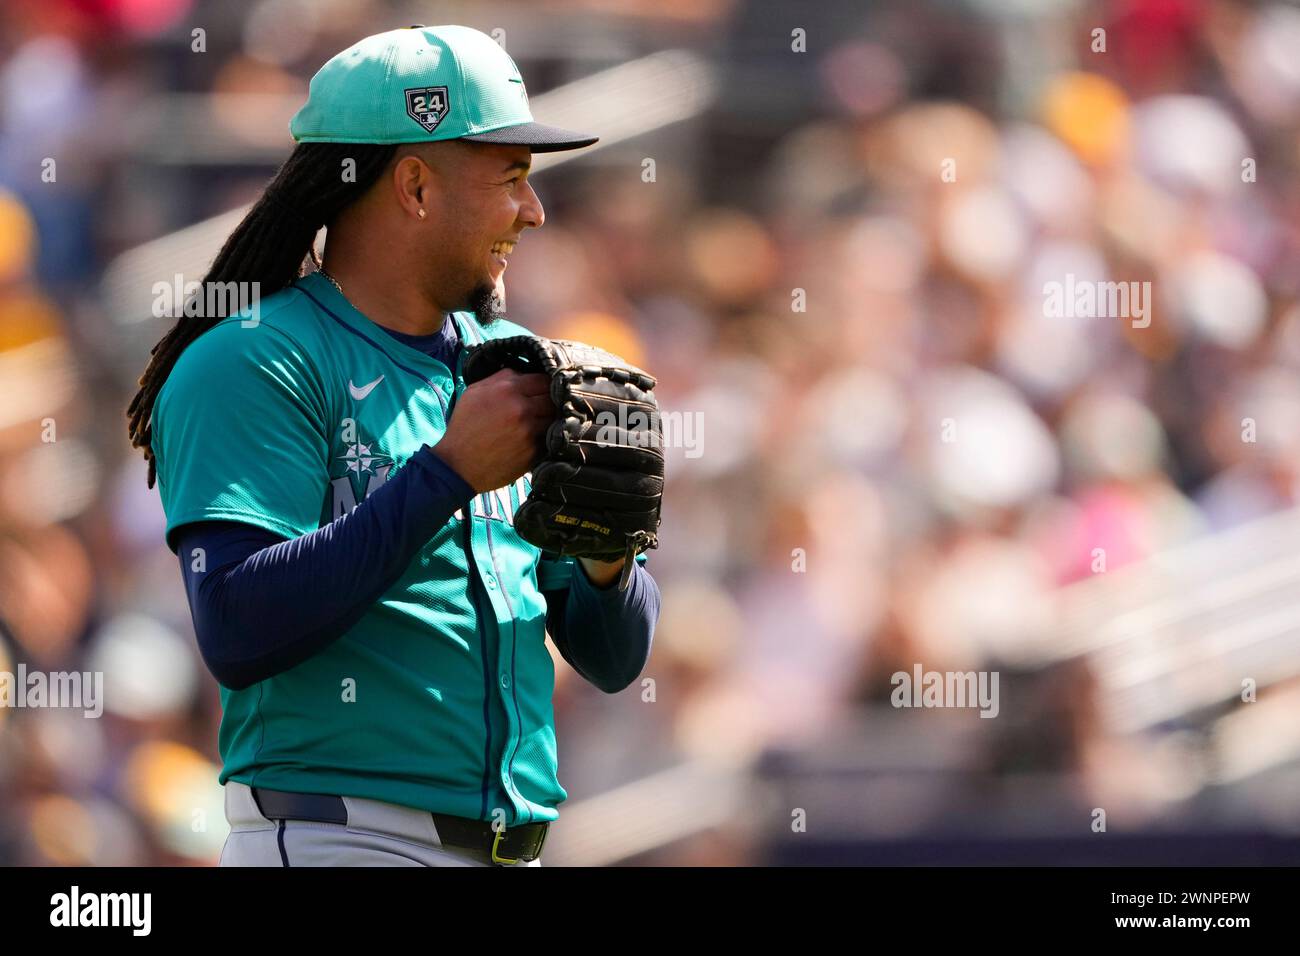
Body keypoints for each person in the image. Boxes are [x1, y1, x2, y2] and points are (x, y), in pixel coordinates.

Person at [125, 24, 660, 867]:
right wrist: (444, 475)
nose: (535, 210)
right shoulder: (256, 357)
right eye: (512, 177)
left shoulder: (512, 366)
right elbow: (234, 627)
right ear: (414, 185)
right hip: (343, 837)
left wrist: (605, 559)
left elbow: (613, 656)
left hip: (510, 847)